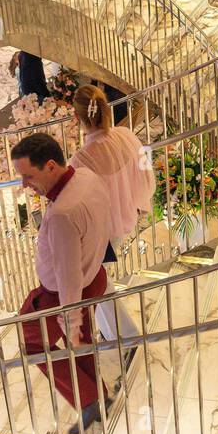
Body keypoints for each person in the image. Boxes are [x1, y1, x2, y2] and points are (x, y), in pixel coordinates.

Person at [11, 133, 115, 434]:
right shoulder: (86, 176)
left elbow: (68, 278)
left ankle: (89, 399)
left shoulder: (61, 215)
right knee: (82, 344)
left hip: (65, 292)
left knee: (32, 343)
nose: (24, 184)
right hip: (94, 275)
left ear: (52, 166)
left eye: (28, 176)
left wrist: (69, 326)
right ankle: (98, 397)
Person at [68, 85, 154, 364]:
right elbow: (145, 173)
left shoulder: (81, 159)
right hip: (129, 216)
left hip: (104, 233)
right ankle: (112, 332)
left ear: (77, 116)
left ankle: (126, 336)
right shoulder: (127, 136)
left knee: (95, 281)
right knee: (96, 280)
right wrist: (139, 204)